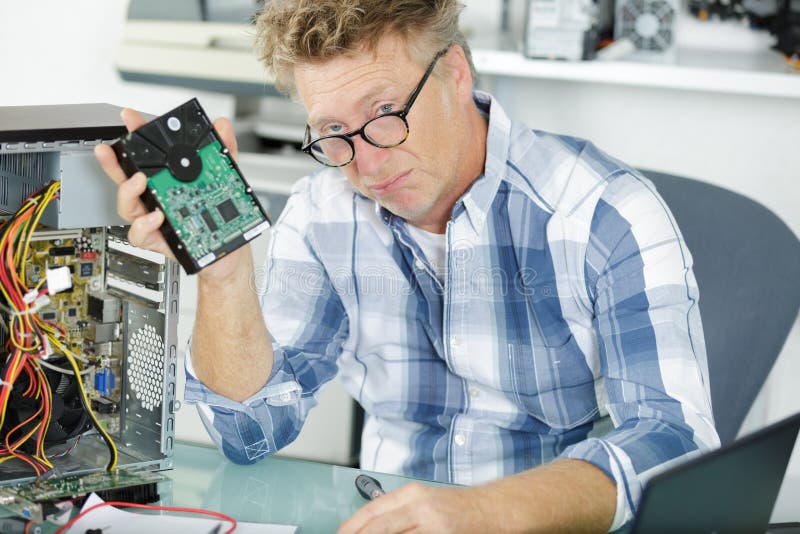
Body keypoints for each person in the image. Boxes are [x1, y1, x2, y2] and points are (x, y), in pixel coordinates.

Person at [95, 1, 720, 532]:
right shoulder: (324, 215)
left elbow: (673, 443)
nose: (364, 165)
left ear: (454, 72)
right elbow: (252, 431)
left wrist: (479, 514)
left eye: (384, 114)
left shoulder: (604, 212)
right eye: (334, 132)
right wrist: (225, 276)